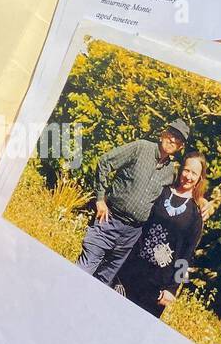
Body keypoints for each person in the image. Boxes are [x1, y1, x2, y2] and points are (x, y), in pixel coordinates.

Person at [76, 120, 189, 284]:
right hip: (109, 221)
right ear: (163, 134)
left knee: (103, 282)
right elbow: (105, 162)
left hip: (132, 235)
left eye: (178, 139)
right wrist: (100, 199)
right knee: (83, 270)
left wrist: (201, 200)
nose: (173, 140)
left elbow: (183, 189)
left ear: (180, 147)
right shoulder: (140, 148)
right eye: (171, 134)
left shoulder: (171, 171)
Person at [115, 151, 207, 317]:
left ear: (200, 178)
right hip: (130, 270)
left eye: (194, 173)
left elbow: (187, 255)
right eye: (187, 170)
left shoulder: (196, 214)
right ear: (181, 170)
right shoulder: (162, 192)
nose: (189, 176)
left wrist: (172, 289)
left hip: (157, 287)